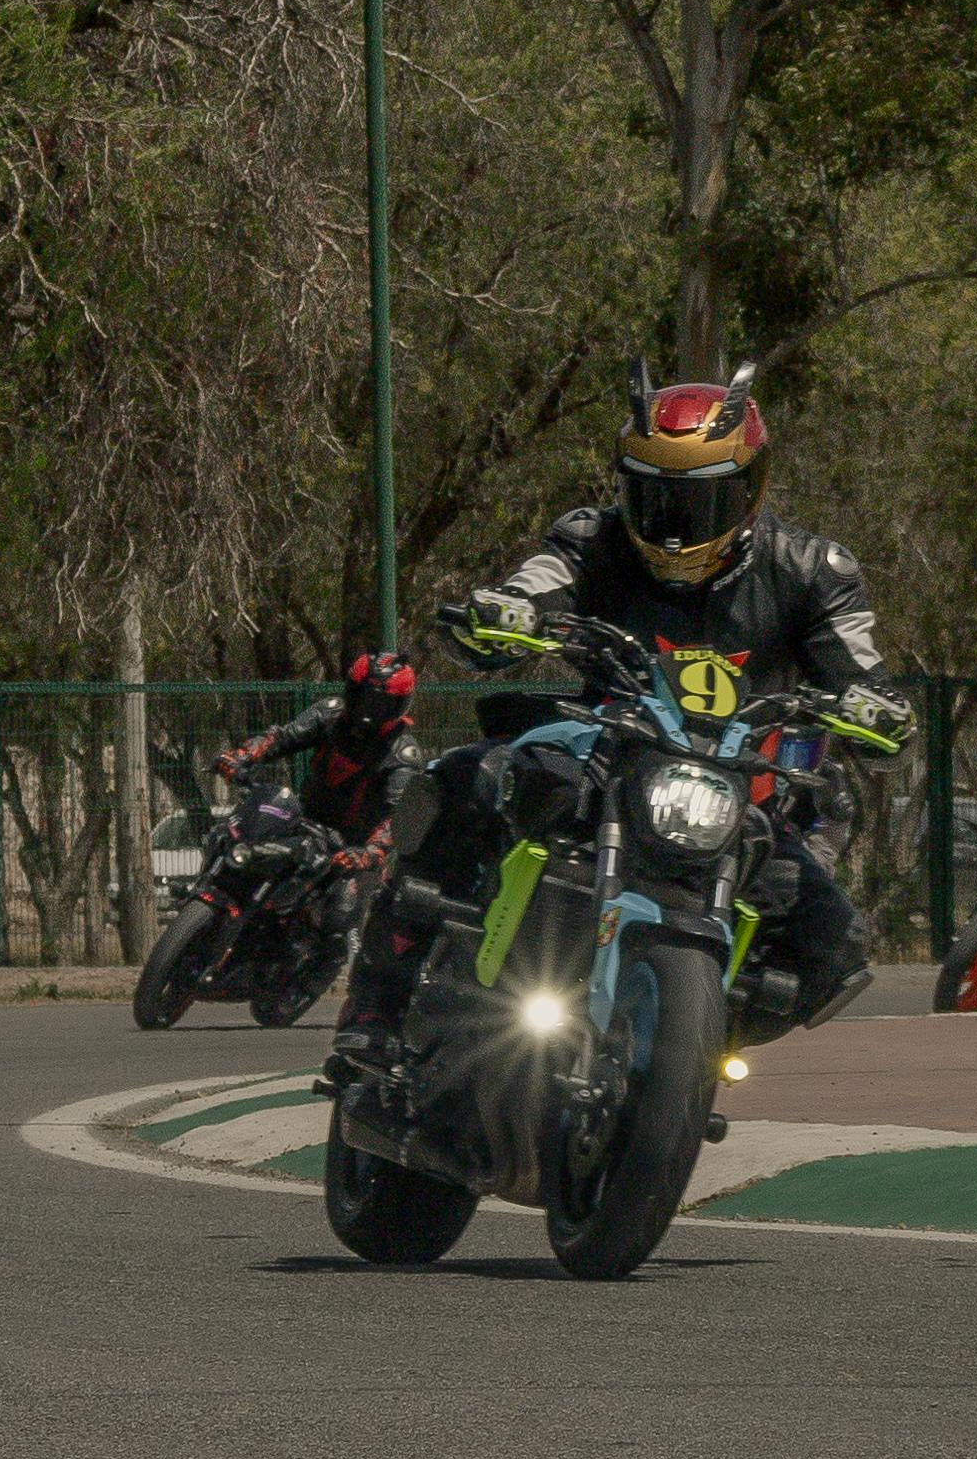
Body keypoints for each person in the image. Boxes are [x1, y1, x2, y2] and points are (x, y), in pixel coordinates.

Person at [330, 362, 913, 1063]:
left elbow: (860, 665)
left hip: (735, 790)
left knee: (833, 940)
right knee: (466, 782)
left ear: (750, 491)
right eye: (654, 499)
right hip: (597, 751)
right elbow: (537, 585)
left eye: (698, 504)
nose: (673, 529)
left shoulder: (813, 569)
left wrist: (876, 704)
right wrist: (505, 612)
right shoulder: (589, 538)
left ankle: (682, 1058)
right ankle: (375, 1006)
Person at [217, 650, 415, 857]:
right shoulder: (331, 713)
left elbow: (397, 817)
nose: (365, 709)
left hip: (354, 851)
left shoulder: (402, 754)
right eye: (359, 696)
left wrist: (371, 852)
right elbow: (284, 737)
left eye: (377, 704)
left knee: (350, 889)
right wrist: (243, 755)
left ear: (399, 705)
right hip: (305, 830)